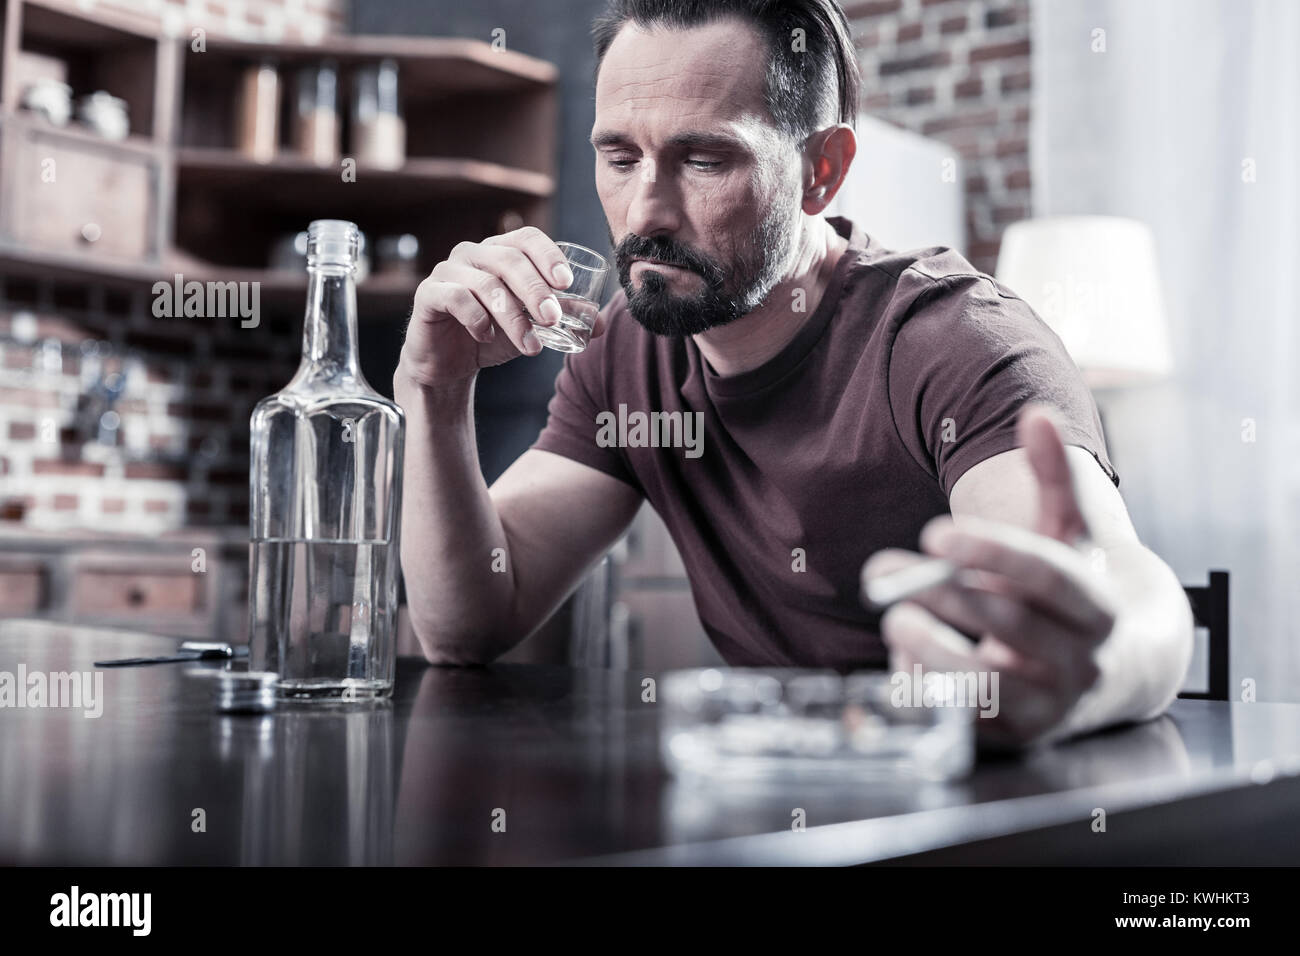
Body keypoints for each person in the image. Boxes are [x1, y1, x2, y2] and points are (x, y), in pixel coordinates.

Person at [394, 0, 1193, 749]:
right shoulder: (626, 349)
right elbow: (469, 624)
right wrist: (433, 392)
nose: (644, 214)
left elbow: (1135, 602)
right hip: (772, 804)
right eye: (618, 155)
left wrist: (1075, 677)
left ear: (822, 169)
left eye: (704, 159)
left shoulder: (953, 339)